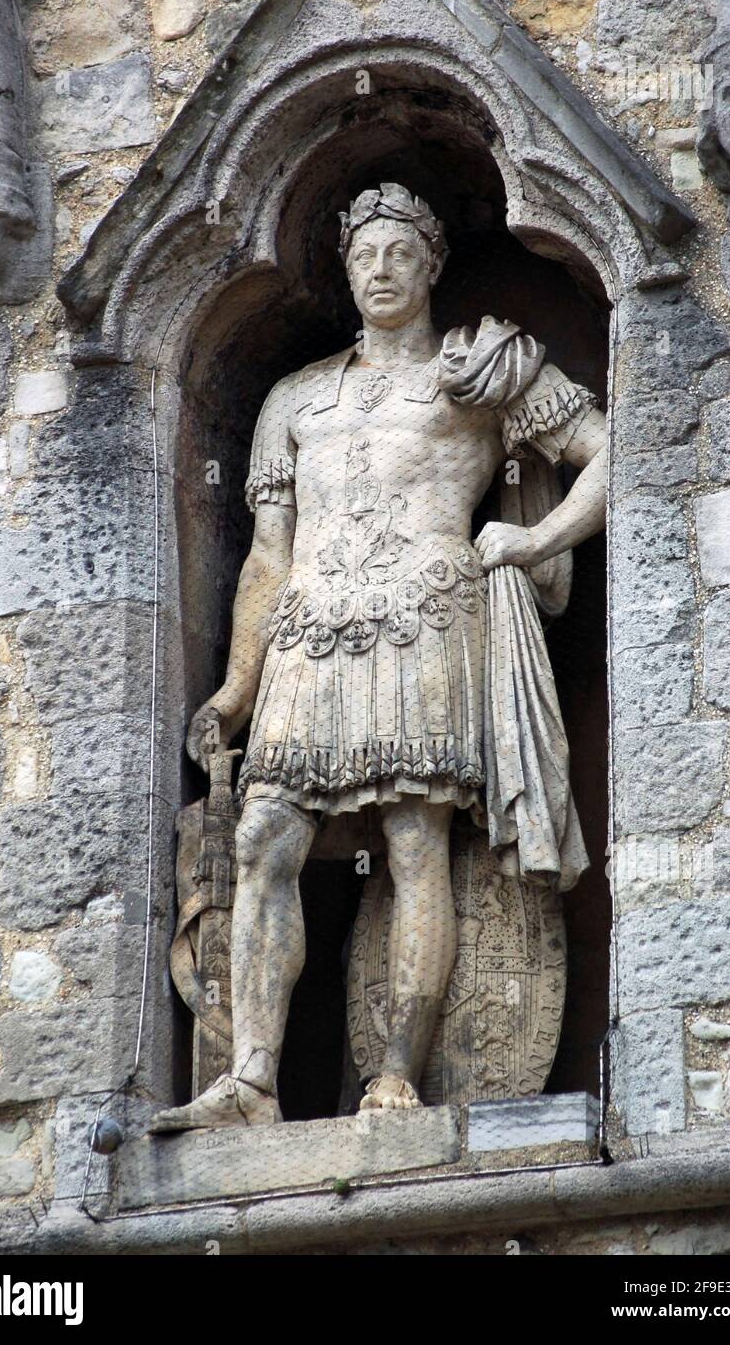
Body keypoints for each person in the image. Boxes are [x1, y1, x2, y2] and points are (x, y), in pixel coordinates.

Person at [151, 183, 607, 1130]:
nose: (381, 270)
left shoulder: (480, 367)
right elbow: (268, 557)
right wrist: (237, 685)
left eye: (400, 251)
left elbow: (611, 451)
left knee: (411, 846)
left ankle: (396, 1074)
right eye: (364, 255)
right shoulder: (296, 397)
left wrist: (530, 540)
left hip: (428, 619)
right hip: (310, 631)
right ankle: (252, 1081)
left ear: (432, 262)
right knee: (260, 838)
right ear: (346, 270)